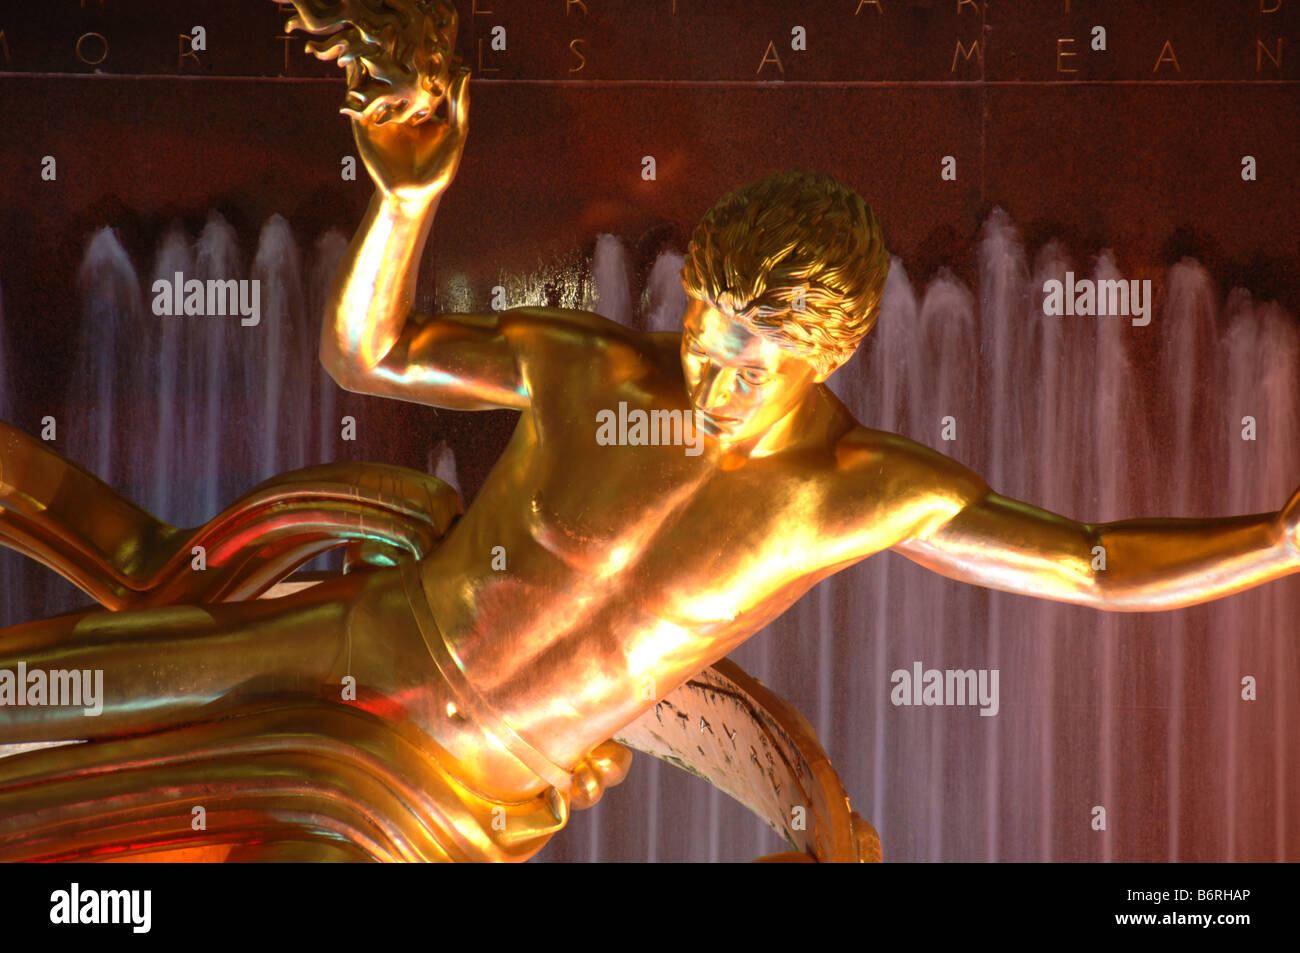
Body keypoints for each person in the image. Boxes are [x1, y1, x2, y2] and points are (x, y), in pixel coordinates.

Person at [3, 0, 1298, 862]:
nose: (709, 370)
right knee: (29, 687)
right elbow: (370, 352)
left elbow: (1093, 561)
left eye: (753, 357)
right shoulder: (586, 366)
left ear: (833, 351)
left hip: (437, 788)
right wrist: (410, 199)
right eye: (701, 330)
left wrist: (1280, 544)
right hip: (333, 638)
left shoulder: (858, 492)